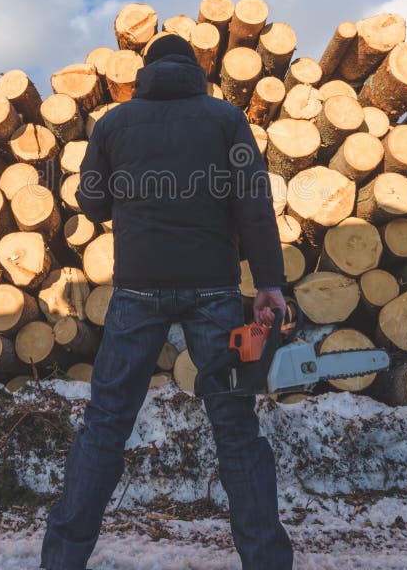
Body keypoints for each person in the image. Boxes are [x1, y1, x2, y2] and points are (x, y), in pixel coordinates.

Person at [40, 33, 294, 570]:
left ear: (145, 73)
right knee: (236, 429)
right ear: (195, 69)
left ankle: (61, 562)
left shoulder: (111, 124)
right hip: (215, 291)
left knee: (106, 423)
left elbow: (91, 200)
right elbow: (254, 203)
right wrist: (269, 282)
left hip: (137, 289)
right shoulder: (226, 119)